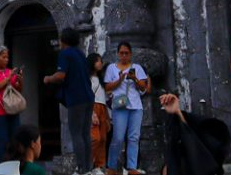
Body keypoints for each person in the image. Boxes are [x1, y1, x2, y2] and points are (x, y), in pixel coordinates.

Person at [42, 27, 94, 173]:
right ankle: (88, 166)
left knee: (76, 133)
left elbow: (60, 75)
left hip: (76, 98)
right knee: (85, 134)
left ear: (64, 40)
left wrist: (47, 78)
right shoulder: (80, 53)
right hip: (88, 97)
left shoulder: (65, 54)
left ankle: (82, 168)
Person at [103, 42, 150, 175]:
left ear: (130, 54)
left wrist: (134, 77)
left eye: (126, 53)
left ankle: (131, 167)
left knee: (134, 137)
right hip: (120, 105)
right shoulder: (112, 68)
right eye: (121, 53)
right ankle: (111, 166)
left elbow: (143, 87)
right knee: (118, 137)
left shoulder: (137, 68)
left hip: (135, 106)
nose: (124, 55)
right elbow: (107, 87)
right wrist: (120, 79)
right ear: (118, 54)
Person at [88, 53, 110, 174]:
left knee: (103, 138)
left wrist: (107, 117)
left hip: (102, 107)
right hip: (94, 107)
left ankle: (99, 166)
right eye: (98, 61)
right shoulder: (87, 78)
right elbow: (87, 97)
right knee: (95, 138)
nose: (100, 63)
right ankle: (87, 163)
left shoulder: (101, 79)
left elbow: (105, 98)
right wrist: (92, 113)